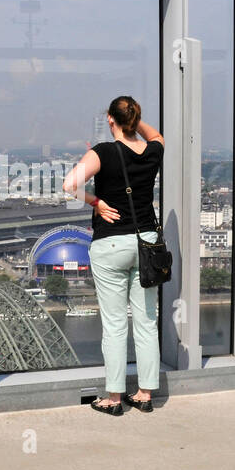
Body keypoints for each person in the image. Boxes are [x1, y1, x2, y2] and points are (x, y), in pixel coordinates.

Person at [63, 96, 164, 415]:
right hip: (145, 242)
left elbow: (69, 185)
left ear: (110, 120)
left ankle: (114, 397)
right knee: (147, 321)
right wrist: (135, 122)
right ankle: (145, 394)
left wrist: (96, 203)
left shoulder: (103, 152)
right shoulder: (152, 152)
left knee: (115, 323)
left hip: (110, 244)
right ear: (136, 119)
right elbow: (156, 136)